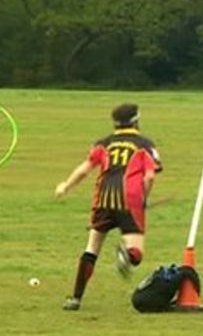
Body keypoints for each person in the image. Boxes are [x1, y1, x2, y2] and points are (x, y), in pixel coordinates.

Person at [55, 103, 162, 311]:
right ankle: (125, 253)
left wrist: (65, 186)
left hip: (103, 198)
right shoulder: (145, 144)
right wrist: (143, 197)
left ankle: (76, 298)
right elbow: (149, 177)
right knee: (136, 253)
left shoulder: (103, 143)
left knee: (92, 248)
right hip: (129, 200)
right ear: (136, 121)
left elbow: (84, 169)